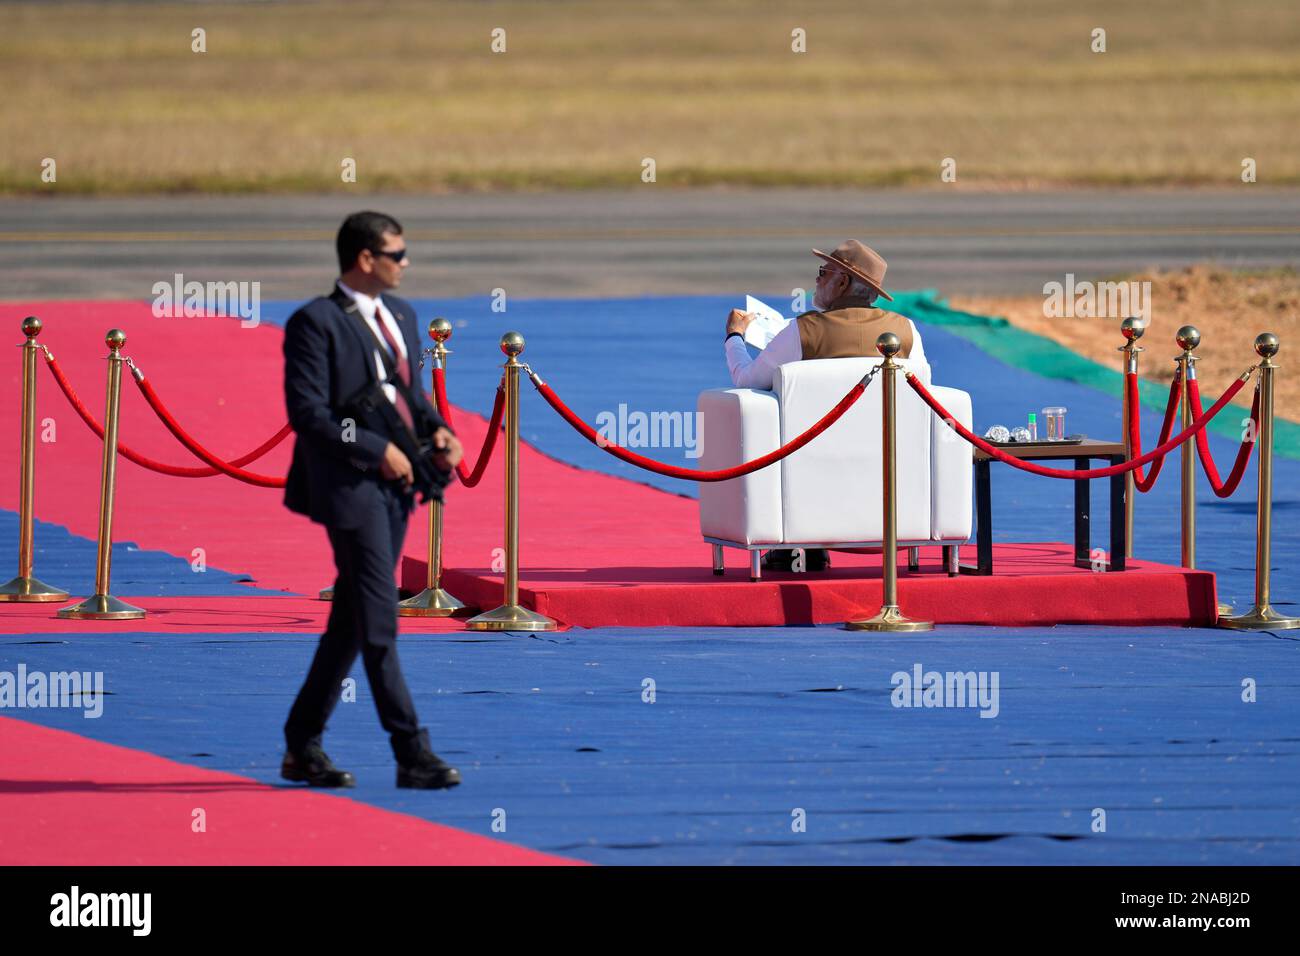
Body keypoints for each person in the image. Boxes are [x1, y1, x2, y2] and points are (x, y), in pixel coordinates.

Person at [280, 210, 465, 790]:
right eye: (397, 254)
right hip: (347, 486)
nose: (406, 263)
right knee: (380, 619)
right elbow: (308, 416)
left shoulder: (402, 316)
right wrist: (373, 448)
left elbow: (405, 394)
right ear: (366, 259)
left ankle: (301, 743)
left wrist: (438, 431)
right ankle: (412, 753)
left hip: (397, 486)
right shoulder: (314, 323)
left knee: (353, 620)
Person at [723, 240, 927, 572]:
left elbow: (747, 381)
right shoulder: (906, 332)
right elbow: (921, 392)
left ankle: (799, 544)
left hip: (811, 466)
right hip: (891, 465)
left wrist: (734, 337)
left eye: (824, 272)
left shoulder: (802, 332)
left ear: (843, 282)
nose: (816, 280)